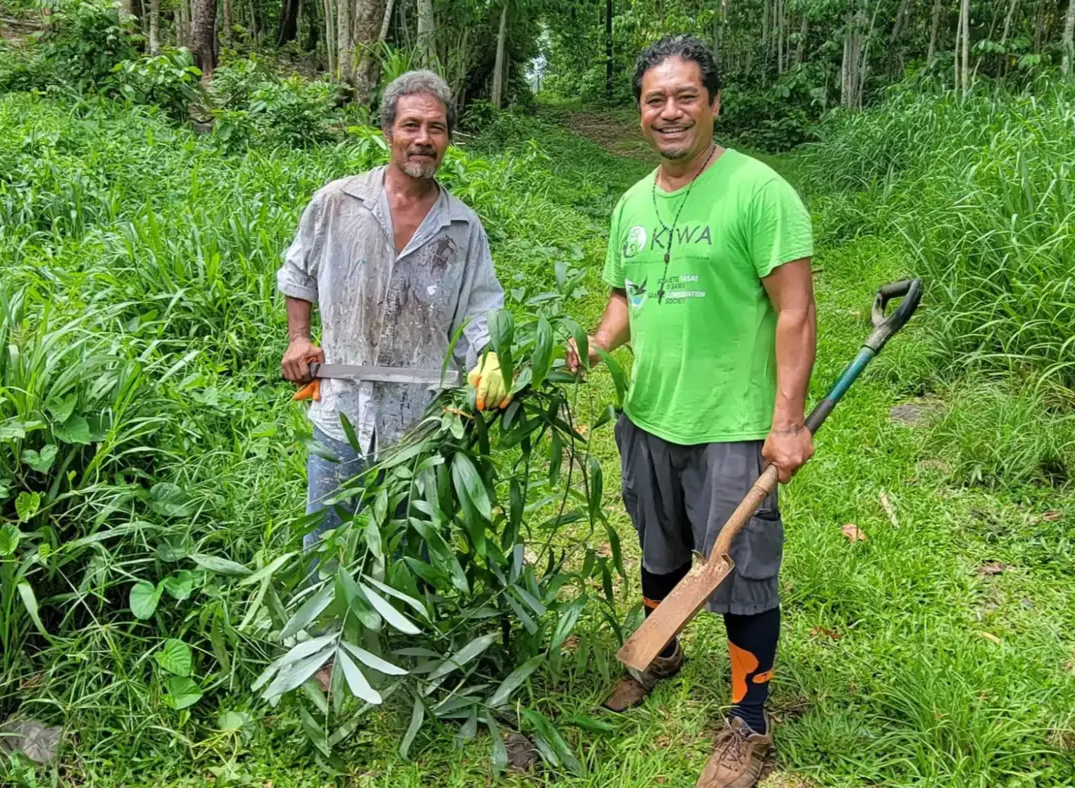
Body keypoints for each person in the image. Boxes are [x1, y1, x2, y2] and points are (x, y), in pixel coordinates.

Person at [568, 36, 817, 788]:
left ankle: (749, 720)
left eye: (685, 97)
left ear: (713, 104)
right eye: (656, 100)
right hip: (648, 414)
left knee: (741, 572)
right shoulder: (631, 203)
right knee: (659, 546)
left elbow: (796, 311)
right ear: (640, 112)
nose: (670, 112)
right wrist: (591, 346)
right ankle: (662, 651)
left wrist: (786, 420)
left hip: (733, 425)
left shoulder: (759, 192)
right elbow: (625, 300)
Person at [277, 70, 510, 548]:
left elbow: (482, 308)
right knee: (326, 549)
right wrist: (298, 338)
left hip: (423, 424)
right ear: (388, 131)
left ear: (448, 139)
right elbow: (298, 273)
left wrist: (490, 356)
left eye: (436, 128)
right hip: (341, 413)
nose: (423, 139)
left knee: (408, 552)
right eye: (411, 126)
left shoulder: (463, 228)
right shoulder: (337, 203)